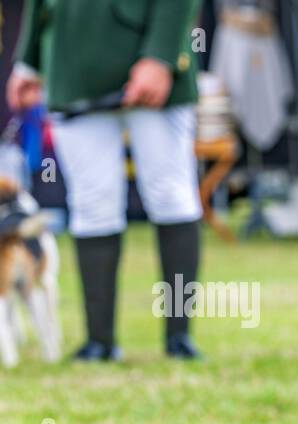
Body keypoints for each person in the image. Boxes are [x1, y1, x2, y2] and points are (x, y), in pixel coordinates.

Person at [8, 0, 204, 361]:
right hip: (71, 61)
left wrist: (161, 55)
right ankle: (100, 341)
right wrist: (30, 59)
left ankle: (179, 337)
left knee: (170, 195)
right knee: (91, 201)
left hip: (150, 59)